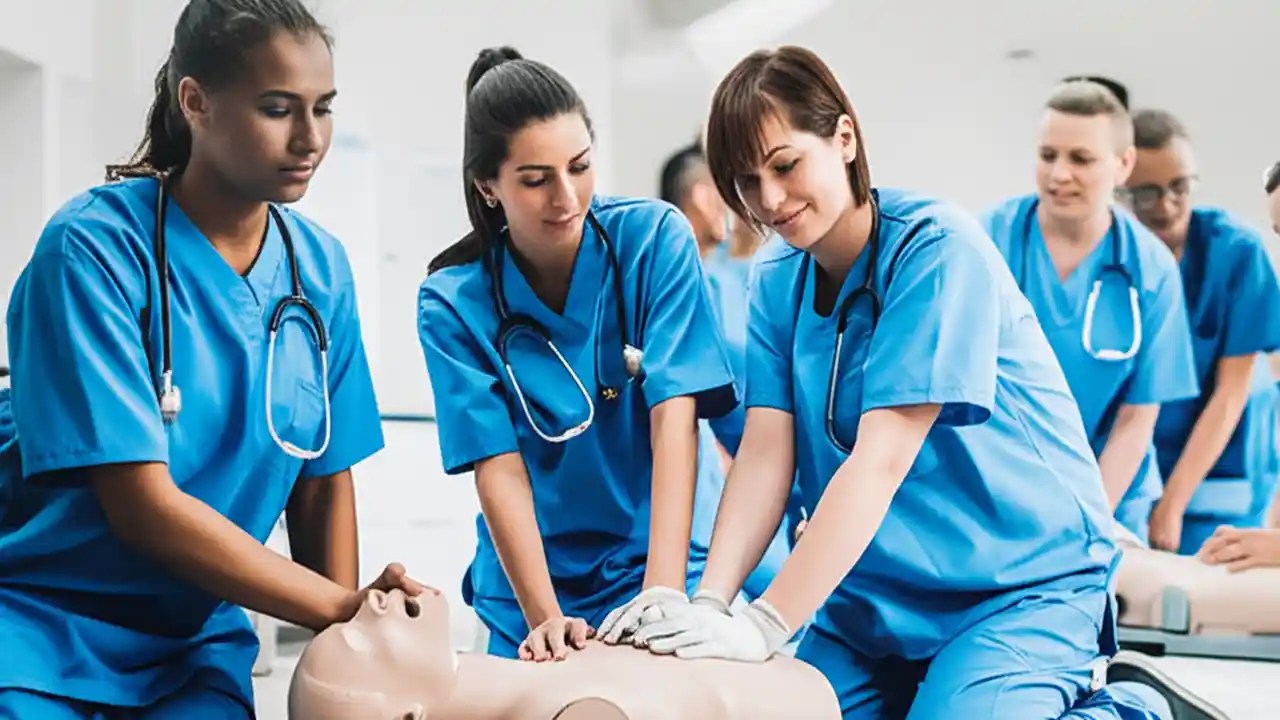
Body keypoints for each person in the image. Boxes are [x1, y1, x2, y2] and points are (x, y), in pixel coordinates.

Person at [620, 46, 1221, 719]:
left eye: (786, 165)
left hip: (1017, 587)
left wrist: (764, 624)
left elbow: (879, 462)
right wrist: (711, 605)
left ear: (843, 137)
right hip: (871, 597)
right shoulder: (776, 277)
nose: (771, 200)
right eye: (747, 181)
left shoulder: (934, 249)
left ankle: (1129, 709)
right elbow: (766, 448)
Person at [0, 1, 424, 717]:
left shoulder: (318, 270)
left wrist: (351, 650)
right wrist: (343, 605)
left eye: (322, 109)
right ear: (194, 101)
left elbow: (322, 483)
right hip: (41, 626)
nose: (308, 138)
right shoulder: (94, 251)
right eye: (277, 109)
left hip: (191, 648)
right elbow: (142, 507)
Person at [417, 47, 738, 663]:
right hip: (533, 581)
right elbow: (498, 467)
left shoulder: (652, 241)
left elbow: (675, 412)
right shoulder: (453, 302)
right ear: (488, 185)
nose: (566, 196)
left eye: (580, 166)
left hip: (655, 557)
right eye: (535, 180)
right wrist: (545, 620)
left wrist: (664, 592)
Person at [983, 81, 1200, 543]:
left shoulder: (1152, 270)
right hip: (1000, 486)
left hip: (1110, 493)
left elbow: (1137, 417)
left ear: (1124, 165)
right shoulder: (988, 242)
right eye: (1047, 156)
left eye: (1080, 159)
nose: (1059, 174)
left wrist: (1086, 520)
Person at [287, 587, 842, 720]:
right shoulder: (583, 713)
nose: (372, 601)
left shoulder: (538, 671)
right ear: (408, 717)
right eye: (359, 640)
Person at [1119, 108, 1280, 555]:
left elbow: (1232, 391)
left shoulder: (1234, 252)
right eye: (1148, 193)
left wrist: (1171, 503)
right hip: (1128, 474)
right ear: (1119, 191)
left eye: (1180, 187)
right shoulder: (1104, 260)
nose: (1168, 205)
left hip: (1219, 479)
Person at [658, 143, 799, 605]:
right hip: (723, 500)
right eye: (739, 189)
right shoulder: (694, 290)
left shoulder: (741, 279)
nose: (756, 205)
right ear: (703, 197)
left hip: (766, 485)